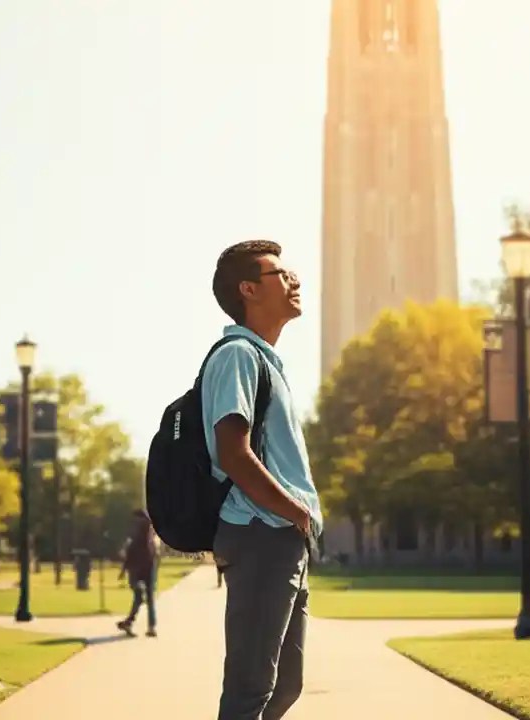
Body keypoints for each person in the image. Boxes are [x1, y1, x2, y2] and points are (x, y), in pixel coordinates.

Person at [203, 240, 323, 720]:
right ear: (249, 290)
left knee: (283, 687)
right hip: (260, 534)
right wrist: (295, 510)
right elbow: (234, 454)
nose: (294, 281)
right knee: (251, 688)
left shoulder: (266, 361)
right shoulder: (237, 356)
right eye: (281, 274)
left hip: (280, 536)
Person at [116, 508, 158, 638]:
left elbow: (129, 554)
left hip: (138, 570)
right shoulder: (149, 536)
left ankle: (129, 622)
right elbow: (154, 555)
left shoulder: (137, 535)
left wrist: (123, 571)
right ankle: (149, 627)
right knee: (148, 598)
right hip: (147, 569)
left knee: (140, 596)